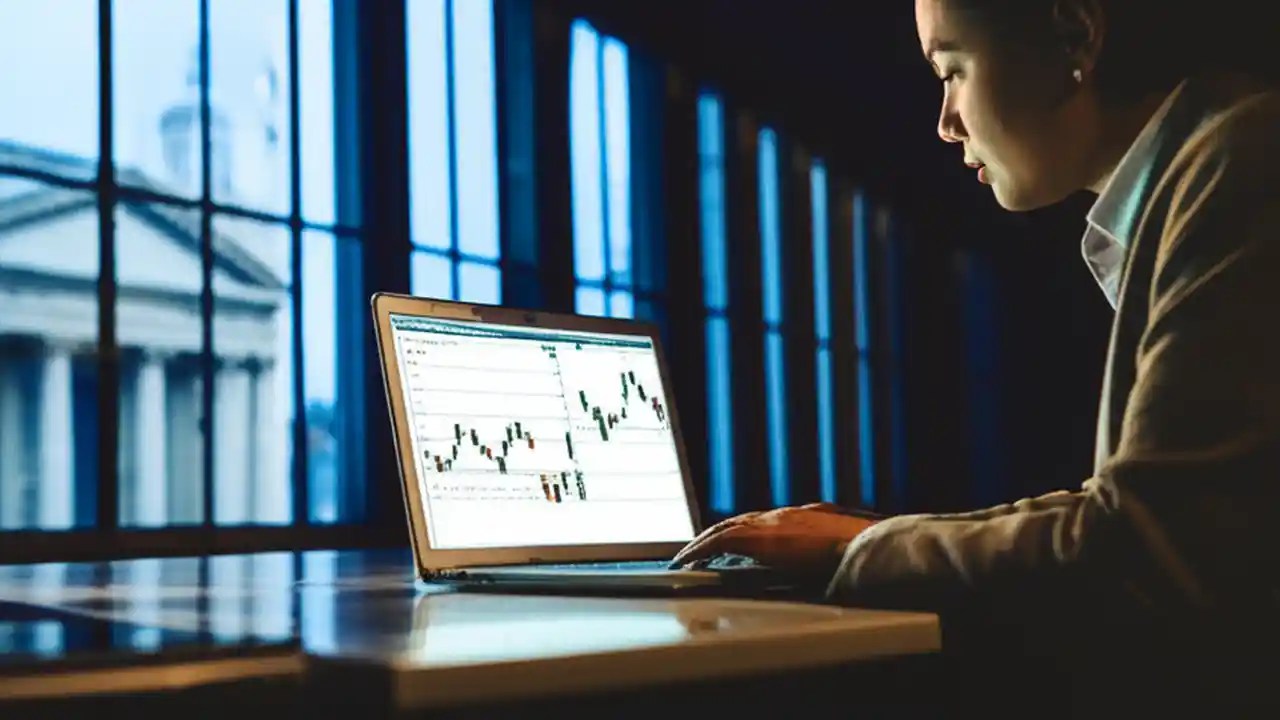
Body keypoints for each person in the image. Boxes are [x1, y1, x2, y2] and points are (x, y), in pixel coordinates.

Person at [673, 0, 1280, 715]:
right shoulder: (1210, 164)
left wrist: (859, 552)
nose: (945, 121)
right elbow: (1143, 510)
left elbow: (1144, 549)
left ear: (1075, 33)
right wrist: (875, 539)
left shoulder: (1241, 161)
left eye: (952, 69)